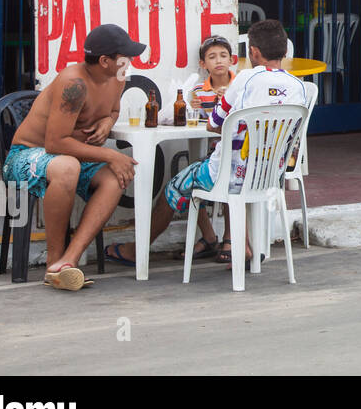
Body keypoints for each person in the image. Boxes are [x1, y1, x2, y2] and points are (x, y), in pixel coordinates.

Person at [107, 19, 308, 269]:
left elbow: (214, 123)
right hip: (268, 175)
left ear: (253, 52)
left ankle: (137, 252)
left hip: (230, 174)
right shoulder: (298, 87)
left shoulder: (245, 79)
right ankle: (237, 244)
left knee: (174, 187)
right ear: (285, 52)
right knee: (218, 168)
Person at [4, 24, 142, 291]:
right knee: (68, 166)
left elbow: (112, 110)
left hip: (72, 156)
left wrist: (106, 122)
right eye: (124, 55)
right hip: (25, 156)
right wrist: (109, 155)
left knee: (115, 178)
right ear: (104, 61)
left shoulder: (118, 77)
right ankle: (52, 261)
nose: (130, 60)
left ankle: (67, 262)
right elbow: (55, 143)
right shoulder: (74, 83)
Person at [178, 34, 238, 262]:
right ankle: (208, 235)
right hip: (212, 152)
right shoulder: (199, 91)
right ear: (203, 64)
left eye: (223, 55)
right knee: (191, 179)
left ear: (232, 59)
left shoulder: (238, 86)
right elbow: (202, 122)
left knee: (228, 183)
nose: (219, 61)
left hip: (233, 153)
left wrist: (229, 100)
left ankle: (230, 237)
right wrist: (192, 107)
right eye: (212, 57)